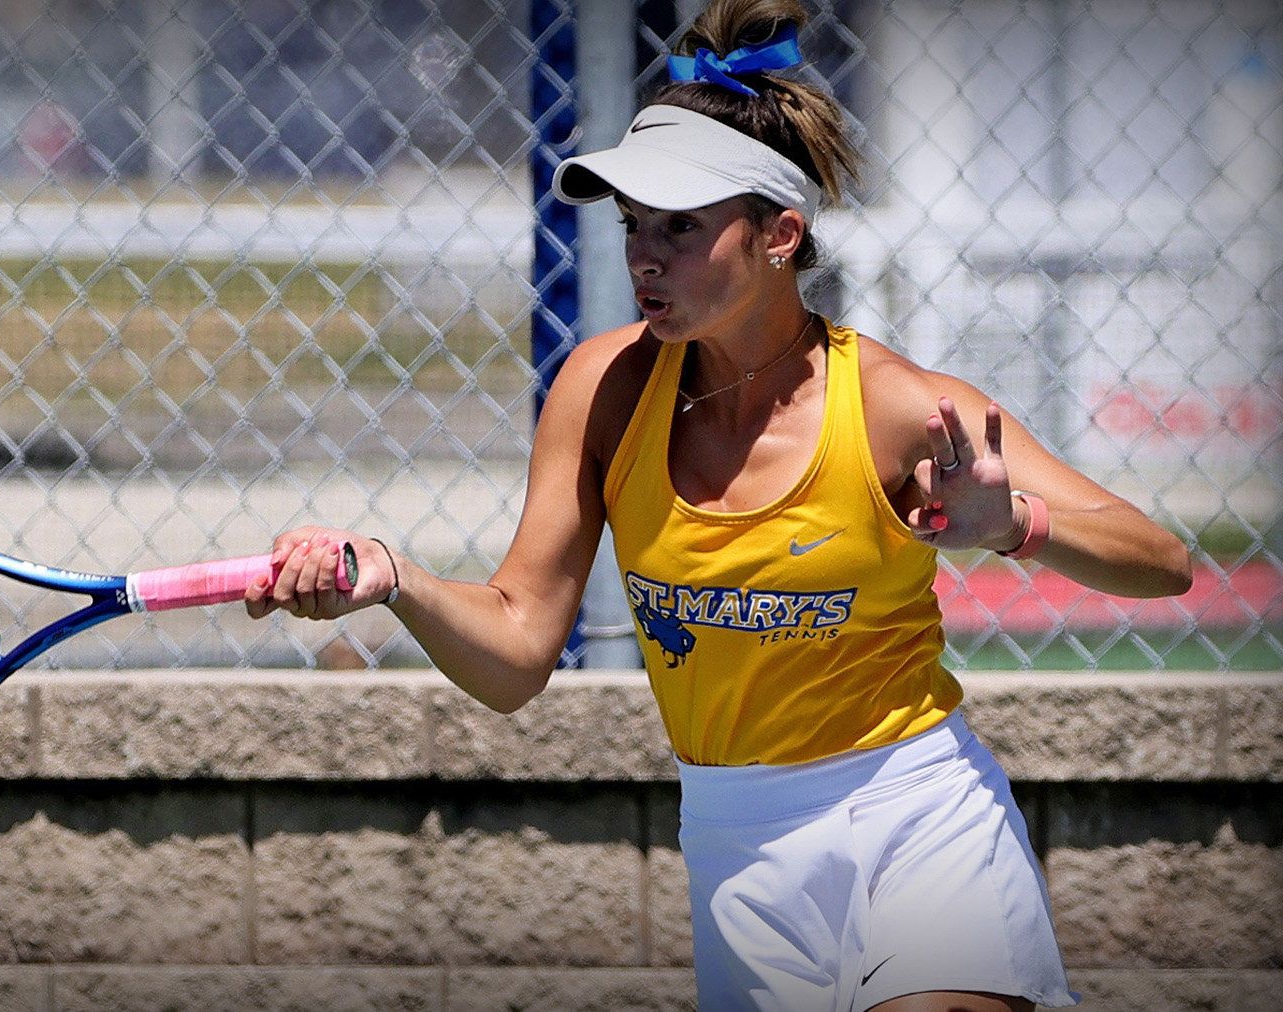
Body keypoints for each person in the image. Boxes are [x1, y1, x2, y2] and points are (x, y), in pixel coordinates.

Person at [246, 0, 1193, 1008]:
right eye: (633, 224)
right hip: (736, 843)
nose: (643, 256)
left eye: (683, 227)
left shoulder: (894, 406)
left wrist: (1015, 528)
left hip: (915, 811)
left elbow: (1163, 560)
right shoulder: (602, 389)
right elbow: (517, 653)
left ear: (780, 235)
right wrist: (396, 579)